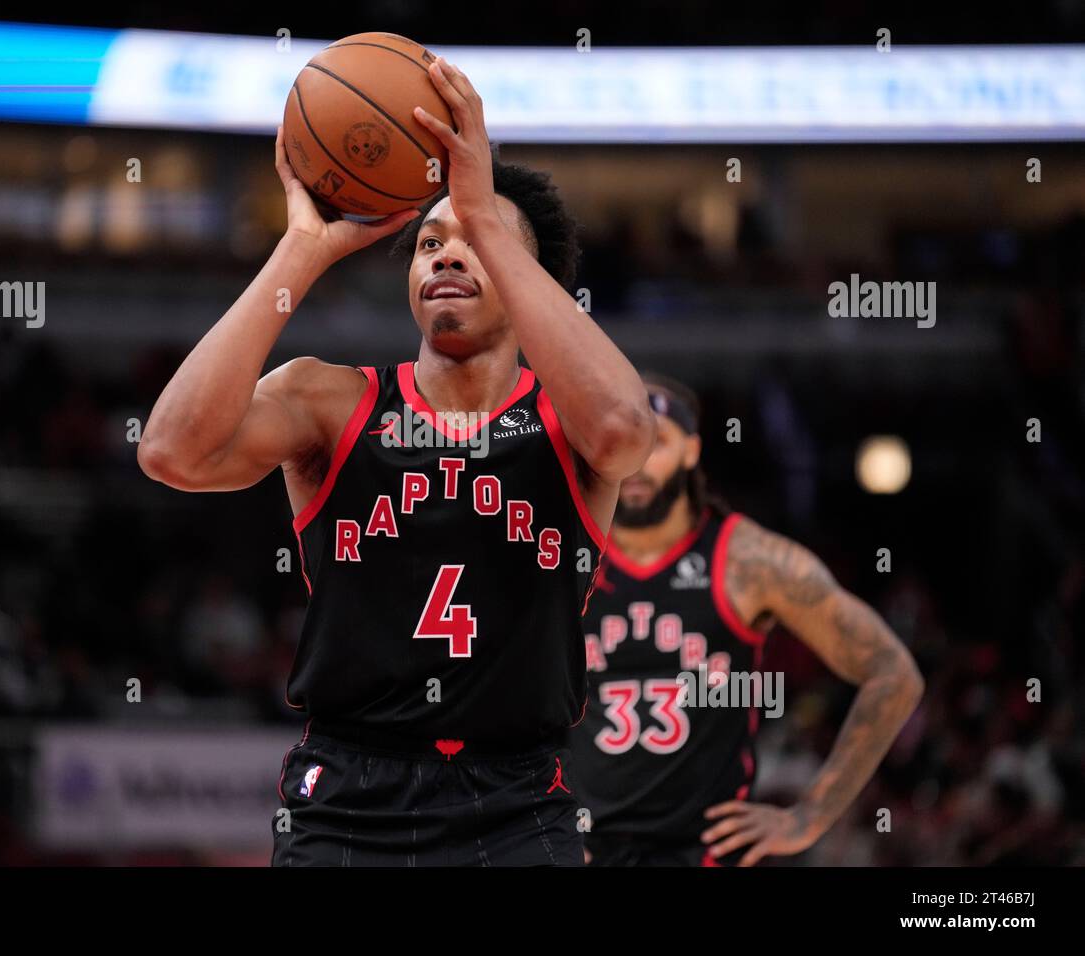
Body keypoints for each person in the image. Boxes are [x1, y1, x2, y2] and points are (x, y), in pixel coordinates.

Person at [138, 56, 655, 866]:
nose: (445, 255)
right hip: (345, 797)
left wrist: (484, 211)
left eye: (476, 241)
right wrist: (301, 251)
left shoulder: (569, 421)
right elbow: (171, 450)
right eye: (429, 242)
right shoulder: (329, 401)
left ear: (527, 281)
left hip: (517, 804)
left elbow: (628, 430)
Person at [571, 374, 924, 866]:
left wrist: (809, 816)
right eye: (624, 443)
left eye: (656, 443)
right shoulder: (560, 554)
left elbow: (893, 674)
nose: (639, 463)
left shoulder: (750, 560)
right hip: (578, 849)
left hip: (704, 853)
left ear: (692, 451)